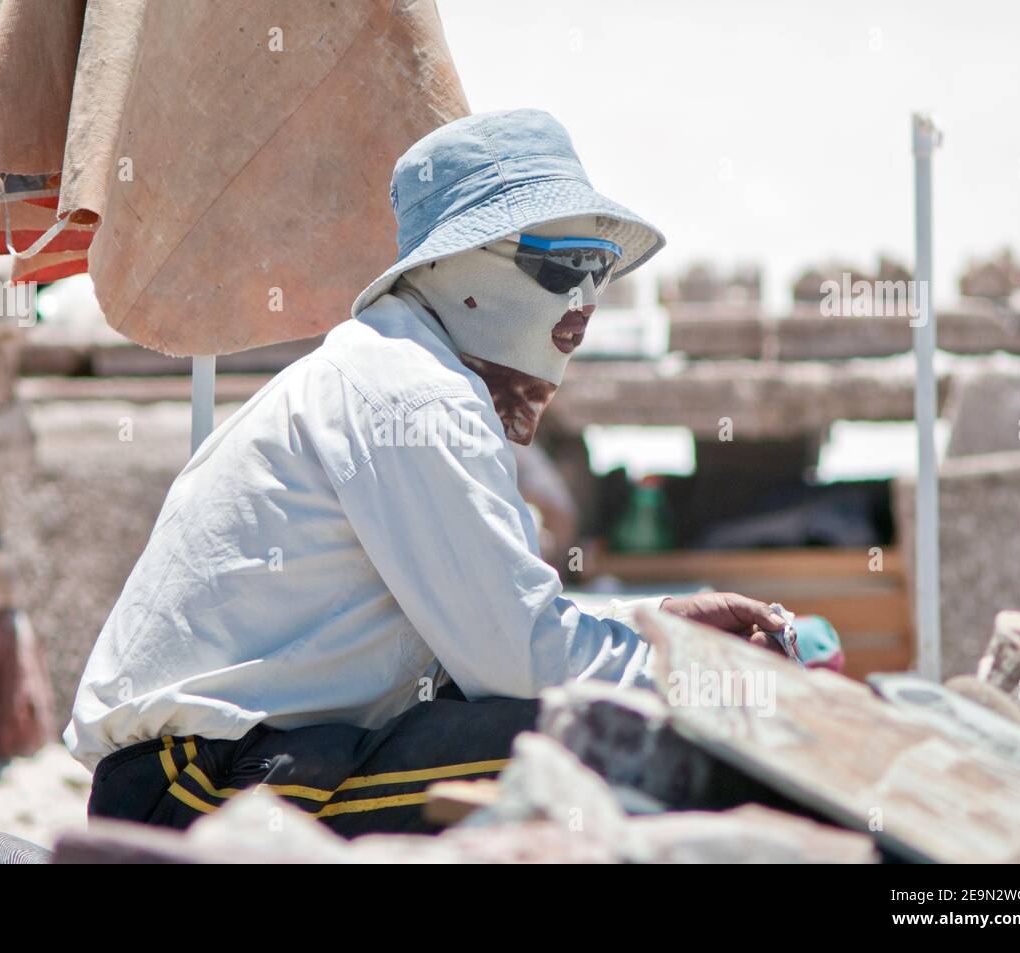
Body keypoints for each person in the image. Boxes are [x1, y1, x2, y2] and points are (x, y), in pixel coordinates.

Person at [66, 109, 788, 836]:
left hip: (222, 767)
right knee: (611, 749)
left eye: (599, 270)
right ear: (456, 266)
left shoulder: (396, 372)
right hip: (192, 792)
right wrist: (685, 671)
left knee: (573, 736)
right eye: (564, 267)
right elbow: (518, 658)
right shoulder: (412, 392)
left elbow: (507, 626)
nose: (585, 307)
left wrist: (656, 625)